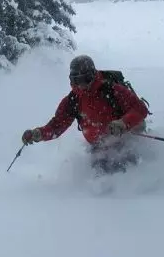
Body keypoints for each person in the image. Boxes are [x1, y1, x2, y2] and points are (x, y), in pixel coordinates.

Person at [21, 55, 149, 174]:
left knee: (129, 178)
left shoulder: (112, 89)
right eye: (76, 80)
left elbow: (140, 109)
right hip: (99, 149)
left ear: (93, 75)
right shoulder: (72, 100)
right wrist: (39, 133)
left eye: (85, 79)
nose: (81, 85)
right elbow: (57, 125)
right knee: (100, 187)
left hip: (126, 142)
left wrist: (123, 123)